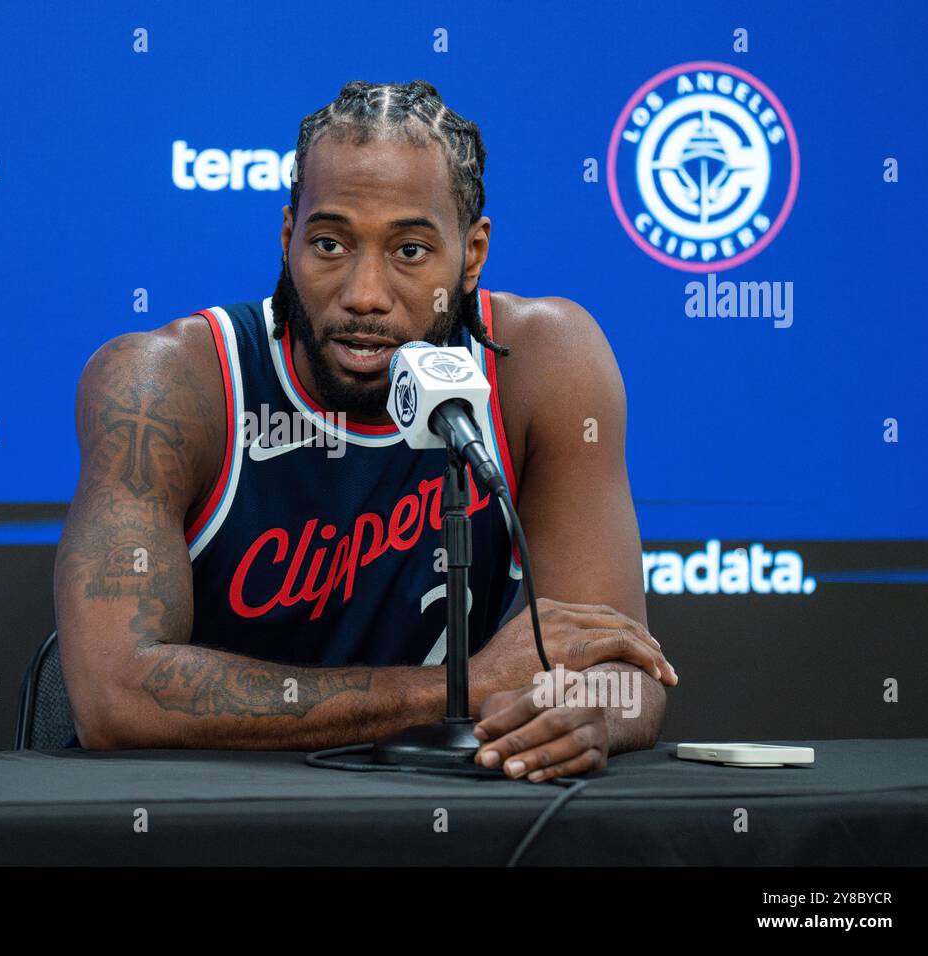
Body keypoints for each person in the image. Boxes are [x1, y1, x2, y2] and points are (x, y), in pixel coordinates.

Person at [54, 80, 677, 782]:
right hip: (206, 824)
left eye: (410, 251)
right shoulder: (165, 386)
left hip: (449, 830)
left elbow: (625, 670)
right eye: (329, 243)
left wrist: (591, 714)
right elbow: (113, 700)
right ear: (287, 236)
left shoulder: (548, 368)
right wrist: (463, 688)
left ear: (471, 255)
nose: (363, 294)